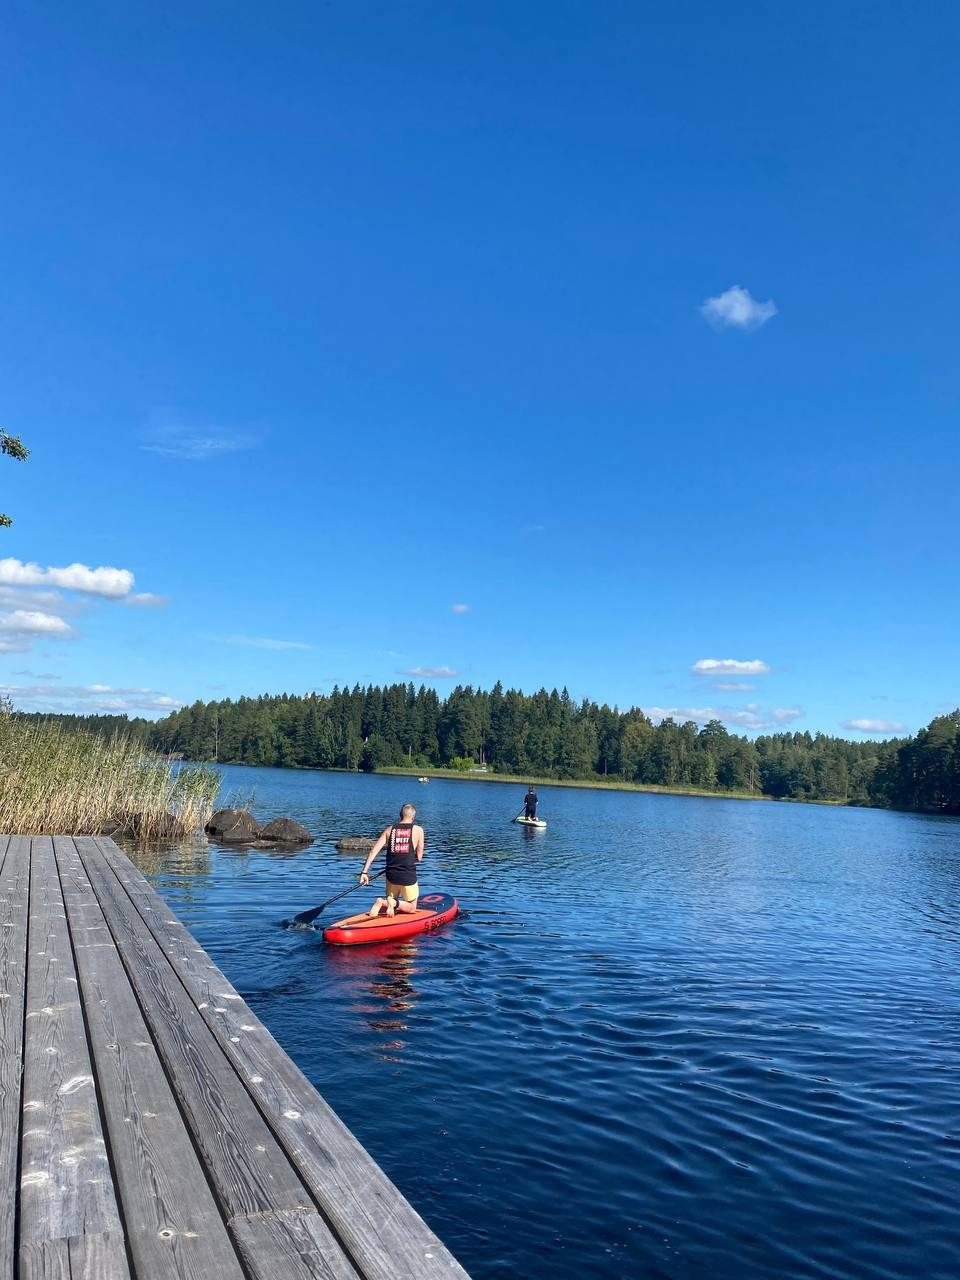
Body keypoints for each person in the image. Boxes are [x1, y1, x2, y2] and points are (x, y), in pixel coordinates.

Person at [359, 802, 425, 917]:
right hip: (407, 875)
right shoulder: (418, 830)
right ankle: (391, 902)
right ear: (413, 817)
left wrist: (364, 872)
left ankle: (386, 901)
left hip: (391, 875)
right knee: (412, 907)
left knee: (392, 898)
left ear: (400, 814)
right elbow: (419, 857)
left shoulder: (390, 830)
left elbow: (374, 851)